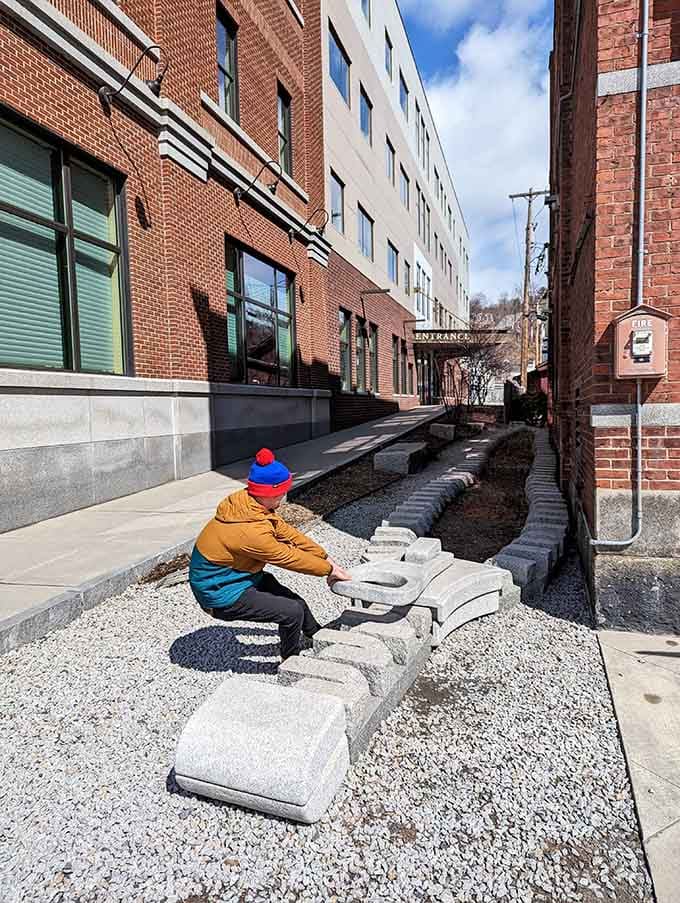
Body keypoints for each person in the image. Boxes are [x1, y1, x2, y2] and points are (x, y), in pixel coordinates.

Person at [189, 448, 352, 660]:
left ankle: (318, 635)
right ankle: (291, 661)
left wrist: (325, 557)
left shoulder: (250, 504)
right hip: (219, 592)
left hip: (241, 576)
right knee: (291, 612)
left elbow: (288, 533)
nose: (283, 498)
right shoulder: (248, 531)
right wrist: (328, 570)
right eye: (281, 493)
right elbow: (287, 557)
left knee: (295, 602)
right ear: (267, 493)